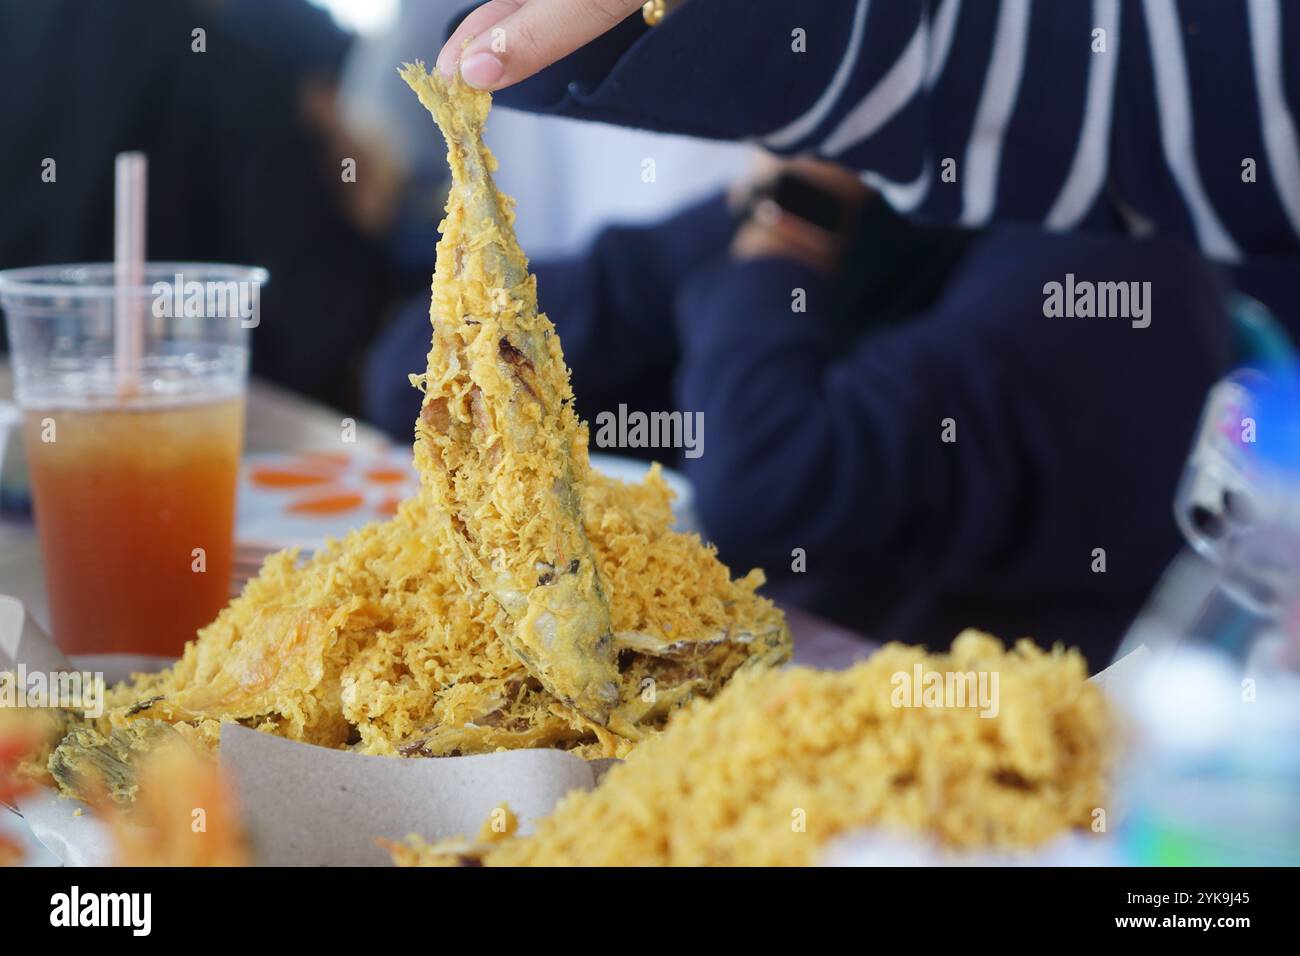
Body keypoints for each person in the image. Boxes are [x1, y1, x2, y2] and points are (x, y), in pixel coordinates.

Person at [366, 155, 1232, 667]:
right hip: (807, 702)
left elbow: (767, 490)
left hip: (1011, 787)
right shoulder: (880, 190)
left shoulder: (1109, 258)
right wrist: (777, 207)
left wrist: (780, 235)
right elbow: (423, 370)